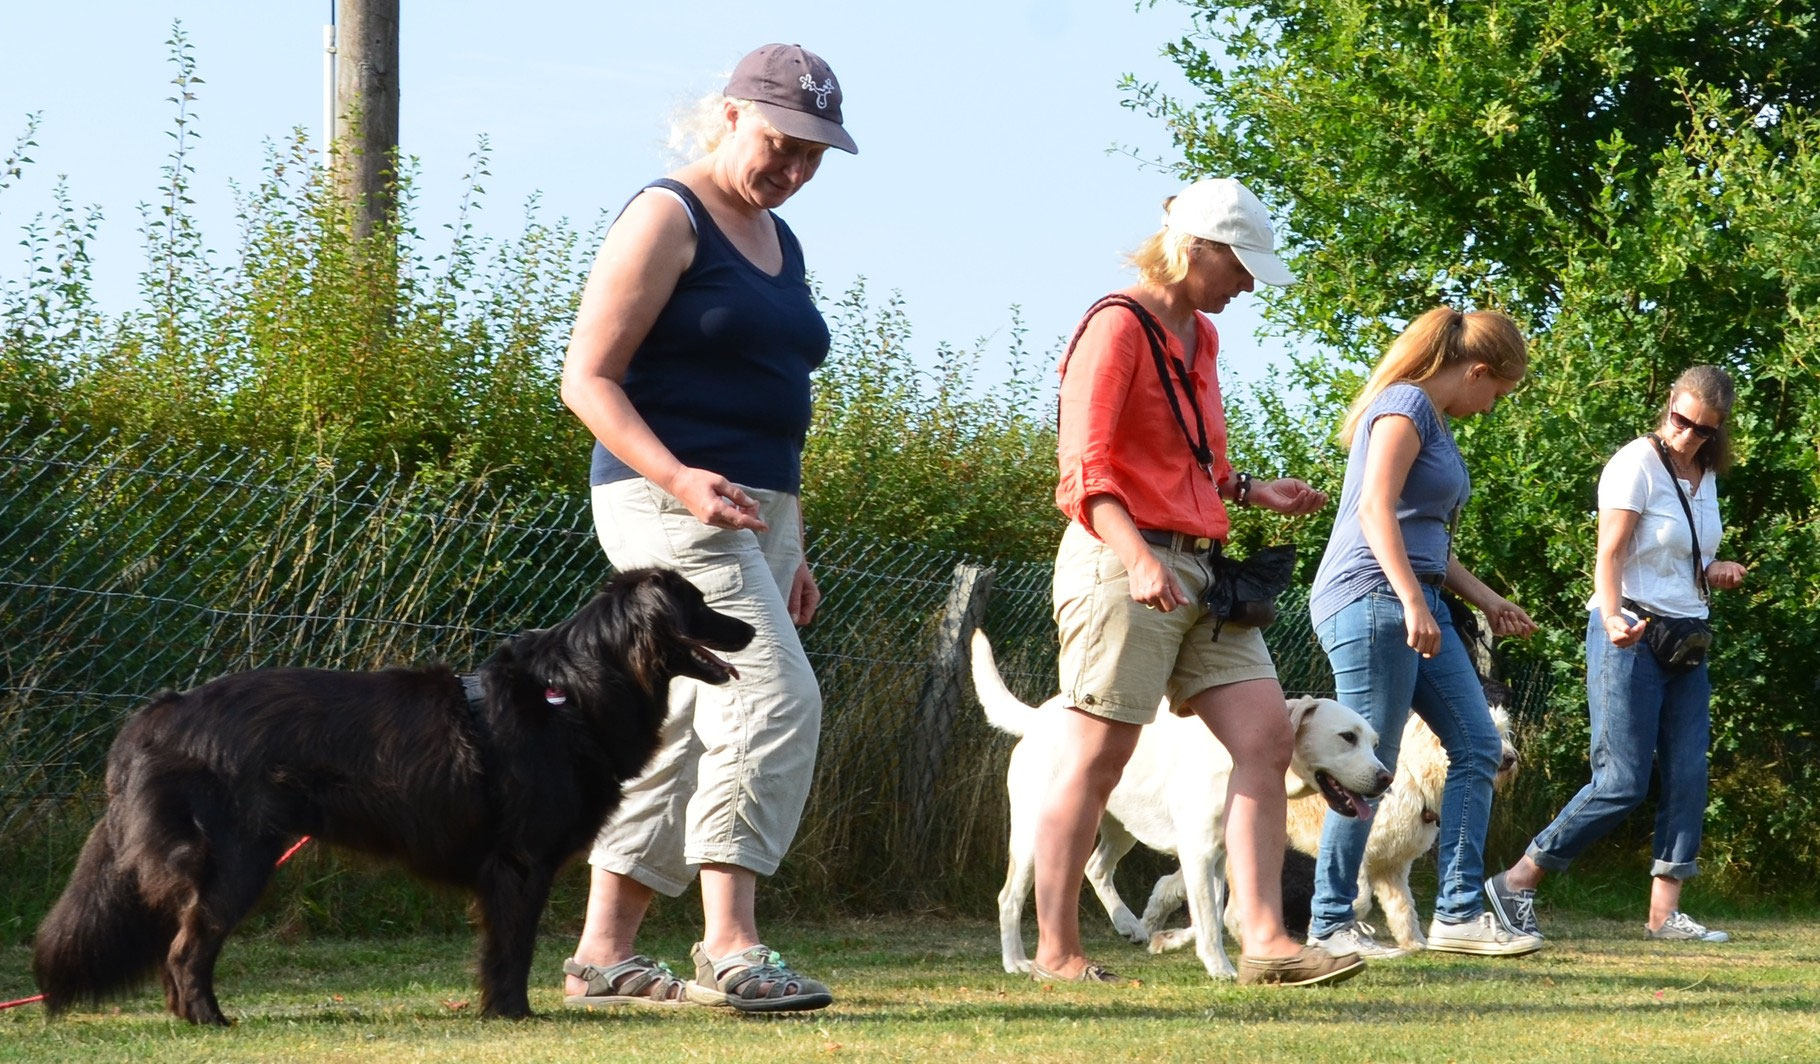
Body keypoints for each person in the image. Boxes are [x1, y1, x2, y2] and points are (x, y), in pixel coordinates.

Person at [556, 43, 856, 1013]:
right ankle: (731, 942)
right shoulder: (665, 215)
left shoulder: (778, 238)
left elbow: (776, 397)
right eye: (782, 143)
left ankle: (602, 956)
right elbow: (586, 379)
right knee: (772, 696)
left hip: (758, 510)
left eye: (815, 155)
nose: (796, 169)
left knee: (682, 723)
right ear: (728, 114)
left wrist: (793, 535)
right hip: (664, 498)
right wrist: (680, 476)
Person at [1034, 177, 1360, 988]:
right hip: (1121, 560)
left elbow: (1190, 458)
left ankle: (1266, 944)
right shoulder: (1115, 327)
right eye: (1240, 267)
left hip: (1202, 570)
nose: (1248, 285)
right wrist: (1140, 558)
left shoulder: (1201, 338)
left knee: (1266, 737)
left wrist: (1251, 490)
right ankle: (1057, 953)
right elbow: (1085, 472)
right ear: (1194, 250)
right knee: (1096, 757)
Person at [1304, 306, 1543, 960]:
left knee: (1476, 746)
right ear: (1477, 371)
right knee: (1365, 768)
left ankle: (1459, 915)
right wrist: (1412, 599)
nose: (1493, 406)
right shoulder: (1404, 406)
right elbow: (1377, 510)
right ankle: (1329, 924)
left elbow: (1422, 534)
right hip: (1373, 598)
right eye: (1498, 392)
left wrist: (1489, 601)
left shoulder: (1430, 419)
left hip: (1415, 598)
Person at [1486, 366, 1744, 944]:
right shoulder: (1635, 465)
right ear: (1668, 408)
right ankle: (1519, 879)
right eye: (1680, 420)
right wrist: (1610, 616)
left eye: (1702, 430)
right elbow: (1611, 554)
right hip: (1627, 628)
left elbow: (1680, 557)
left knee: (1687, 776)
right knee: (1620, 782)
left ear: (1717, 431)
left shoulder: (1704, 476)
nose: (1686, 435)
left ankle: (1663, 915)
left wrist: (1714, 571)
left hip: (1688, 635)